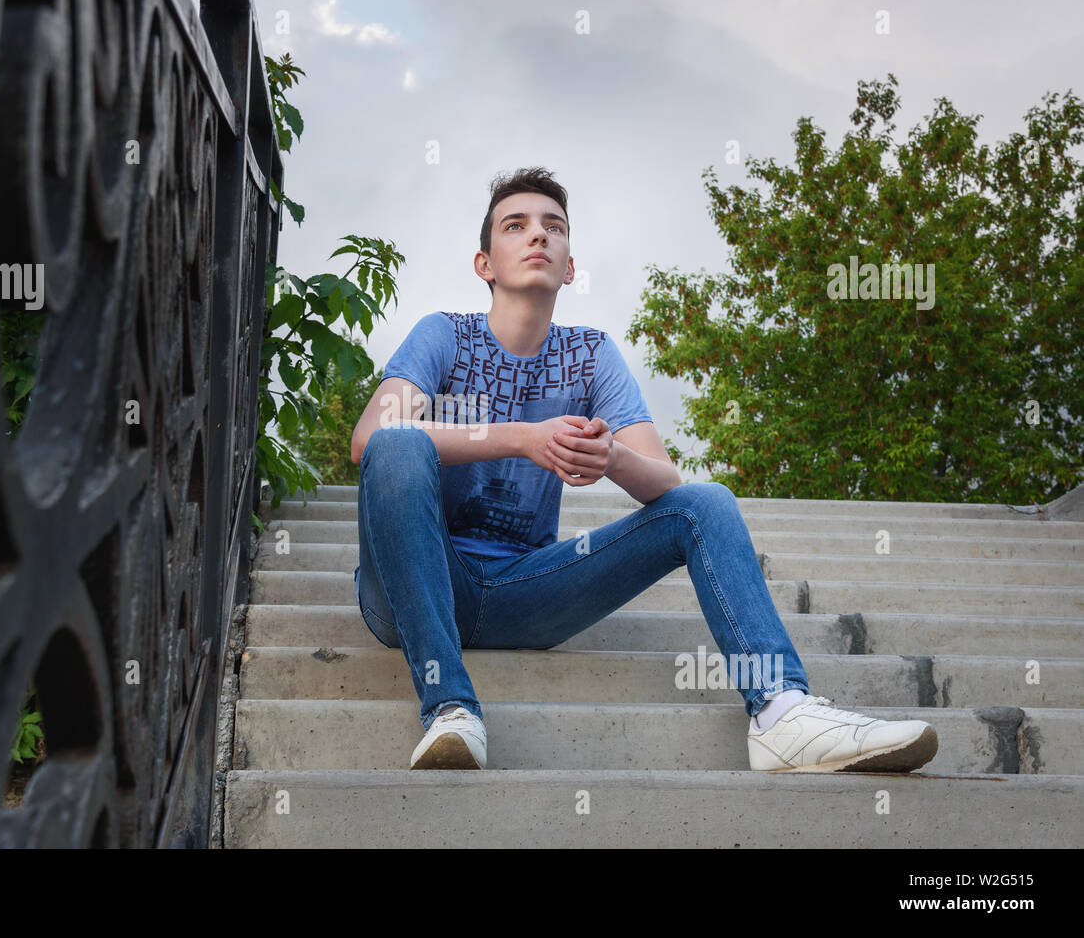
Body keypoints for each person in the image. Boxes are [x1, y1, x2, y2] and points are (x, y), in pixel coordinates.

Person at [348, 166, 938, 773]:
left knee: (706, 502)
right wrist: (524, 439)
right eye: (516, 225)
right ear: (485, 264)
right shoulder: (443, 335)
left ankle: (781, 714)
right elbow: (369, 440)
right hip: (410, 586)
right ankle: (450, 710)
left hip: (521, 589)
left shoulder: (590, 354)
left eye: (554, 227)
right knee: (399, 444)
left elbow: (665, 483)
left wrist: (612, 458)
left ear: (570, 267)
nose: (538, 237)